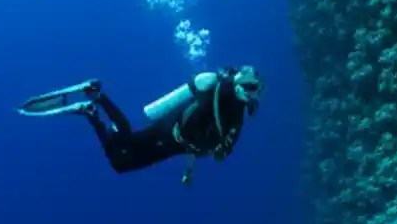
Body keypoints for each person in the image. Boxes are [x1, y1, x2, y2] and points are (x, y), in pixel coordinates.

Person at [17, 65, 263, 185]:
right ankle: (94, 101)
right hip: (168, 132)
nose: (251, 96)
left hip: (174, 144)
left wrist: (190, 170)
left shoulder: (234, 115)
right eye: (251, 88)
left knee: (121, 161)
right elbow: (201, 125)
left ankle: (92, 107)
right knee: (122, 151)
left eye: (255, 94)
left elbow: (203, 145)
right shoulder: (221, 91)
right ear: (242, 81)